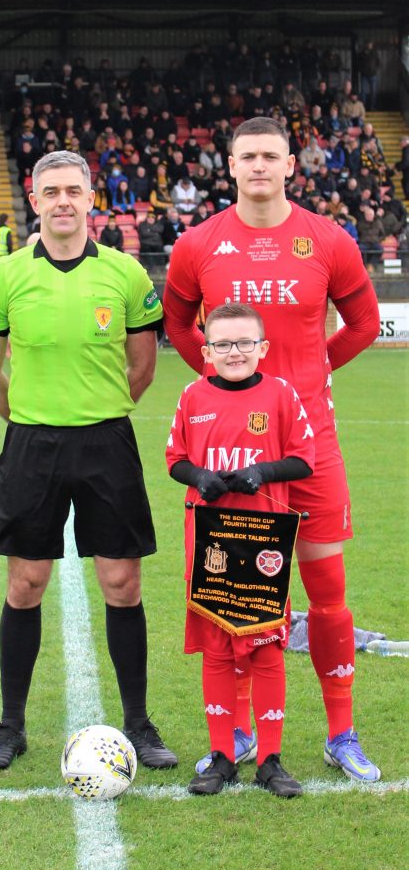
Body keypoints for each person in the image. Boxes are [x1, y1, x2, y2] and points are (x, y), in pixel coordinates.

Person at [163, 116, 382, 782]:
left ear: (291, 164)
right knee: (236, 599)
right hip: (233, 457)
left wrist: (310, 376)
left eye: (271, 156)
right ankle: (239, 738)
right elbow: (178, 325)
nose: (259, 165)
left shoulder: (328, 238)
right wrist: (226, 388)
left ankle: (341, 733)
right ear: (229, 166)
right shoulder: (199, 244)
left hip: (309, 446)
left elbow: (366, 323)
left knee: (328, 591)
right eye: (247, 156)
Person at [0, 150, 176, 772]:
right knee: (25, 584)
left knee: (122, 582)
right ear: (34, 201)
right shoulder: (4, 277)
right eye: (51, 191)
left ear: (92, 200)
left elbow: (142, 366)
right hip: (33, 444)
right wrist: (33, 418)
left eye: (73, 191)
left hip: (106, 442)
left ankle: (138, 723)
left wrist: (99, 410)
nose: (63, 201)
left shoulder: (126, 275)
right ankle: (10, 726)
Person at [167, 304, 314, 798]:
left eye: (244, 343)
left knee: (268, 648)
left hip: (264, 543)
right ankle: (222, 756)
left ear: (262, 348)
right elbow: (175, 460)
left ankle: (270, 758)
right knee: (217, 649)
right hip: (212, 541)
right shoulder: (192, 396)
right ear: (206, 351)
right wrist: (200, 477)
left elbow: (303, 460)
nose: (235, 352)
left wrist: (263, 473)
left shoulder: (280, 394)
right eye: (223, 344)